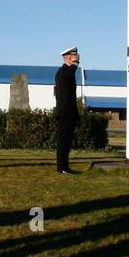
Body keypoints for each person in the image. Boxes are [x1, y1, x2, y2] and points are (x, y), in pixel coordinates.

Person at [53, 46, 80, 174]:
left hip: (68, 112)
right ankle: (62, 166)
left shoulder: (67, 72)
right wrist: (75, 64)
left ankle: (64, 166)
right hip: (64, 112)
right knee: (63, 140)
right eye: (74, 58)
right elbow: (70, 73)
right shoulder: (63, 72)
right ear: (69, 58)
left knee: (66, 140)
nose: (77, 60)